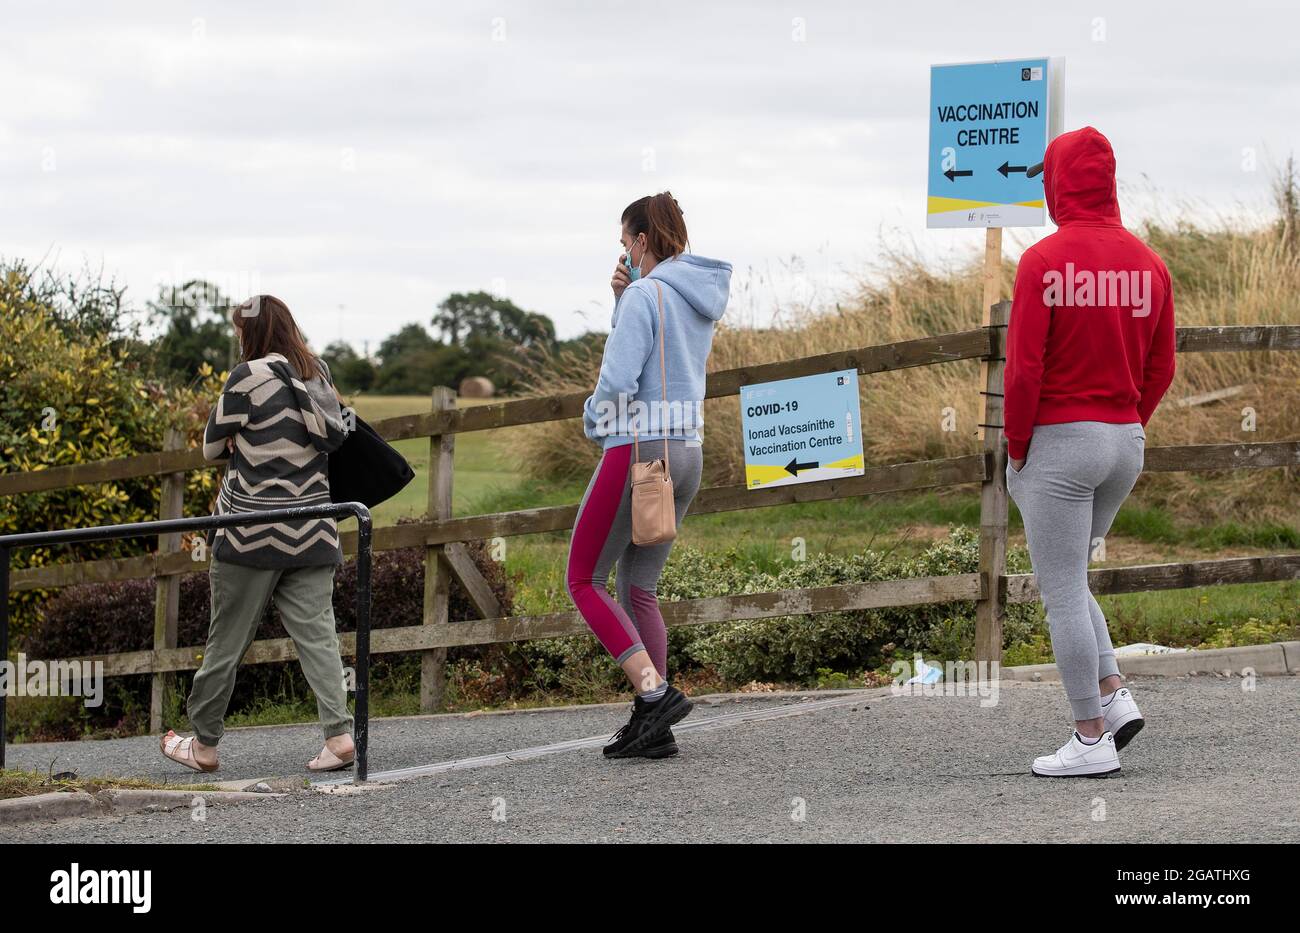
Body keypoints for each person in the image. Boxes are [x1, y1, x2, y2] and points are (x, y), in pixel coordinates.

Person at [1004, 127, 1177, 777]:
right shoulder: (1150, 264)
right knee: (1073, 577)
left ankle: (1089, 738)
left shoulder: (1043, 262)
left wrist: (1019, 449)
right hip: (1124, 442)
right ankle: (1114, 696)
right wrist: (1129, 424)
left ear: (1058, 181)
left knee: (1061, 594)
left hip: (1059, 444)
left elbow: (1023, 371)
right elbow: (1162, 366)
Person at [160, 294, 354, 774]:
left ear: (249, 332)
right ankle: (340, 736)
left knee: (227, 639)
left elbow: (209, 448)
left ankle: (203, 744)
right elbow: (335, 436)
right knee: (319, 637)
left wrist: (239, 440)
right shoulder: (319, 373)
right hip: (313, 530)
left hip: (250, 534)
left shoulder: (247, 377)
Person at [569, 191, 731, 759]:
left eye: (625, 244)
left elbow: (618, 380)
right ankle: (653, 727)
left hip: (638, 449)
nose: (625, 255)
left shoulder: (645, 293)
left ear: (642, 240)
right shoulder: (694, 297)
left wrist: (594, 422)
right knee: (639, 589)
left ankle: (653, 691)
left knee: (582, 580)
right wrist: (622, 300)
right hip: (687, 452)